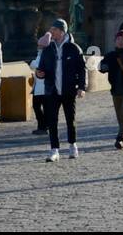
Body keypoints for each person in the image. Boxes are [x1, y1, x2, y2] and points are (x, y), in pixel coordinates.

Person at [34, 18, 87, 161]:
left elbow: (82, 69)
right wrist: (39, 74)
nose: (52, 32)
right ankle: (54, 150)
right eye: (51, 29)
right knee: (52, 121)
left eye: (55, 30)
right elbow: (41, 68)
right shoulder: (48, 49)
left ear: (62, 32)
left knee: (71, 119)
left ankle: (72, 145)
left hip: (69, 90)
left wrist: (81, 87)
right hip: (51, 90)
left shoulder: (74, 48)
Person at [29, 33, 51, 135]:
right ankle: (45, 125)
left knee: (38, 107)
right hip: (40, 87)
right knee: (41, 107)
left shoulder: (44, 55)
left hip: (43, 87)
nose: (38, 47)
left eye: (40, 45)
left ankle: (43, 126)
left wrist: (32, 63)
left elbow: (36, 65)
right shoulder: (42, 54)